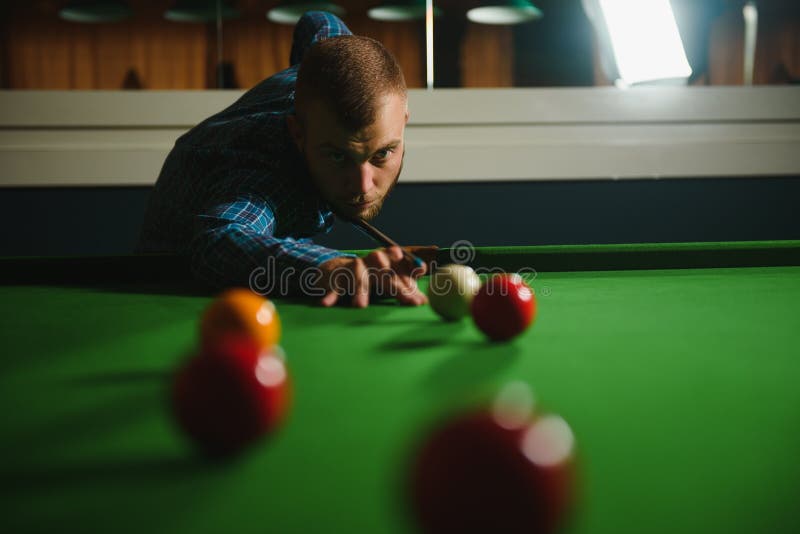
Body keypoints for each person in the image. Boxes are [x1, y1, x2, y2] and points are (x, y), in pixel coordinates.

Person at [138, 11, 435, 308]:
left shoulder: (325, 64)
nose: (363, 185)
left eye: (382, 154)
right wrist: (330, 266)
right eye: (337, 156)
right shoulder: (267, 177)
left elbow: (318, 21)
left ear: (404, 120)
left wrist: (306, 75)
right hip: (166, 286)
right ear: (298, 133)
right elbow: (216, 242)